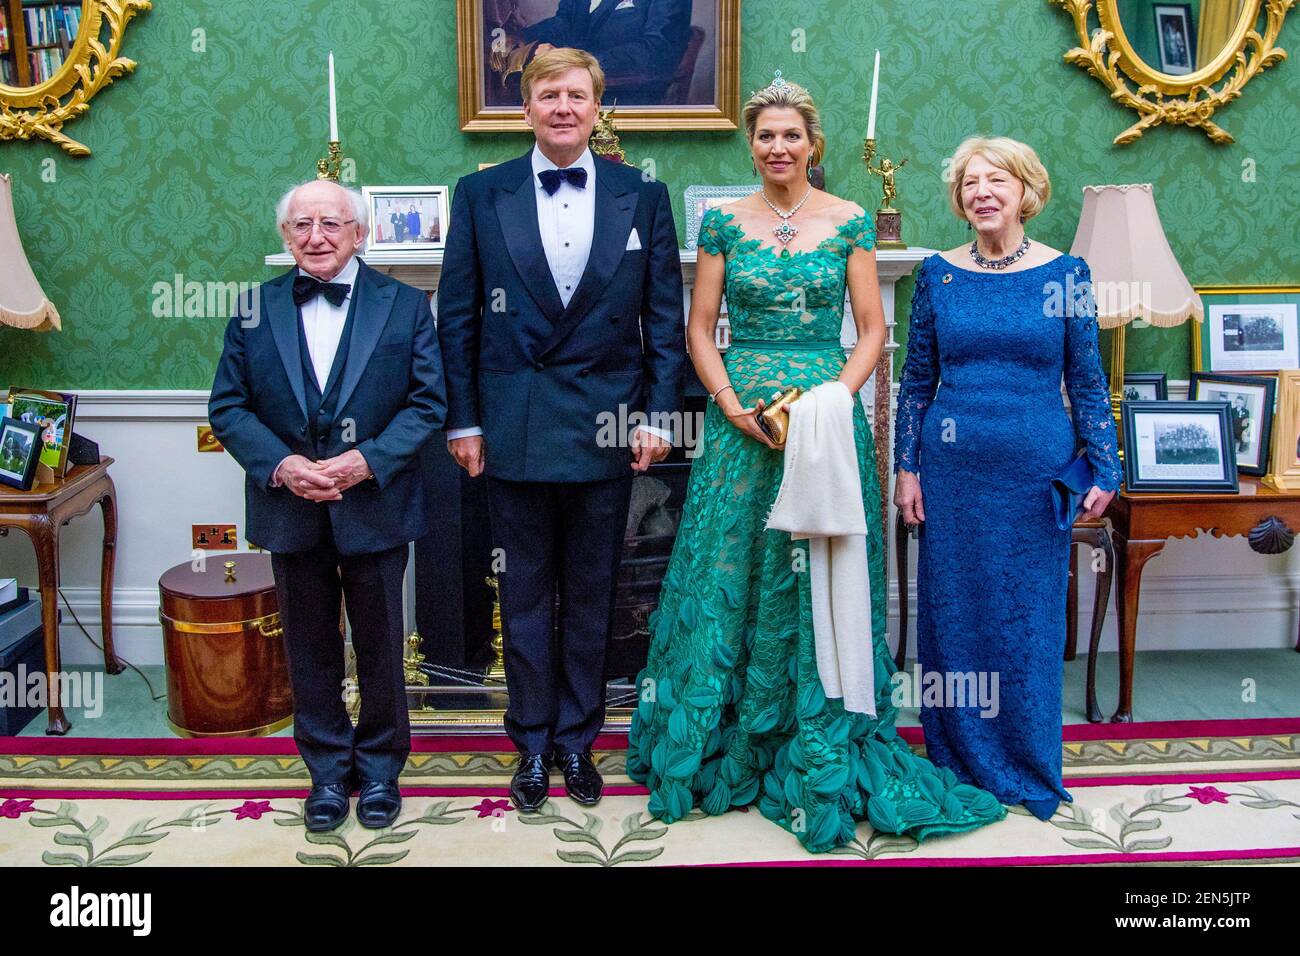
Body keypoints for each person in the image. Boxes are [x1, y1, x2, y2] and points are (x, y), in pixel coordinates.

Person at [625, 74, 1006, 853]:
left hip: (825, 421)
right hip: (740, 425)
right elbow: (700, 329)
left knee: (817, 568)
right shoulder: (723, 224)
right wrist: (732, 404)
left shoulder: (851, 222)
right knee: (729, 572)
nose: (777, 146)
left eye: (790, 135)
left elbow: (870, 329)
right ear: (752, 144)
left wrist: (828, 402)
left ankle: (818, 733)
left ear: (813, 144)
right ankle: (720, 738)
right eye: (764, 135)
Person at [437, 47, 685, 812]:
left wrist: (659, 416)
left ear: (597, 106)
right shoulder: (481, 193)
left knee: (592, 596)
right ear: (527, 108)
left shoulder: (643, 194)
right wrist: (465, 419)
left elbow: (665, 321)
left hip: (610, 426)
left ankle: (579, 744)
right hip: (513, 425)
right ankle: (531, 745)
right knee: (525, 595)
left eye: (577, 95)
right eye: (549, 95)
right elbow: (457, 317)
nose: (563, 107)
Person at [893, 136, 1122, 821]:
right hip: (953, 471)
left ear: (1026, 191)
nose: (983, 192)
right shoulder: (939, 275)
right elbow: (914, 383)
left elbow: (1085, 380)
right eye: (970, 184)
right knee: (954, 614)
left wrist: (1107, 464)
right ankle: (957, 755)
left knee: (1026, 617)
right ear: (960, 201)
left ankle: (1025, 760)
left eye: (997, 180)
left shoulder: (1065, 275)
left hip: (1034, 474)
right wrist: (907, 468)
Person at [209, 179, 446, 832]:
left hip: (375, 503)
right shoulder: (253, 308)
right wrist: (282, 465)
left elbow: (428, 403)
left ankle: (378, 771)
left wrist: (363, 460)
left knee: (380, 647)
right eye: (302, 225)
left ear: (359, 233)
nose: (317, 236)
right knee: (309, 649)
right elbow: (227, 406)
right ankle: (325, 773)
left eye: (332, 224)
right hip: (289, 509)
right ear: (285, 237)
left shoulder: (404, 306)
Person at [522, 0, 692, 105]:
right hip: (575, 92)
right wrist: (520, 38)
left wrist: (573, 61)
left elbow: (656, 51)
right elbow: (565, 22)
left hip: (627, 96)